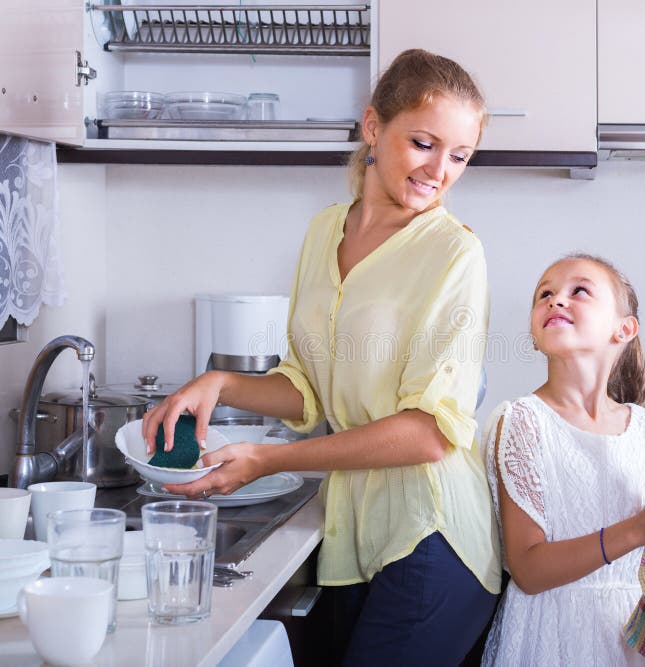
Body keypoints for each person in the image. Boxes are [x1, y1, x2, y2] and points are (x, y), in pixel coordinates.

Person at [142, 49, 501, 665]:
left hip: (431, 538)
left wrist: (268, 458)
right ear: (372, 128)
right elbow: (307, 388)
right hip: (353, 541)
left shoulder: (453, 255)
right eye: (423, 142)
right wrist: (219, 383)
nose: (440, 169)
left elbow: (429, 433)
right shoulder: (323, 231)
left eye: (460, 155)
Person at [480, 254, 645, 666]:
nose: (556, 300)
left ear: (623, 329)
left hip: (628, 639)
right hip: (548, 636)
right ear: (535, 335)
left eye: (579, 291)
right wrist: (639, 527)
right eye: (545, 294)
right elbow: (529, 571)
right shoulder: (520, 421)